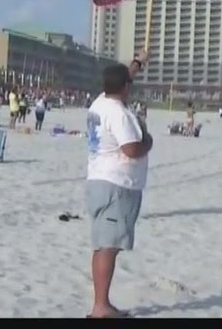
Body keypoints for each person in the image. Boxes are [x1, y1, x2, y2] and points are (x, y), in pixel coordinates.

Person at [84, 50, 152, 318]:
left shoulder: (99, 102)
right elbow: (132, 150)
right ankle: (100, 306)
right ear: (124, 87)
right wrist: (148, 141)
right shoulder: (118, 113)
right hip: (116, 184)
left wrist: (138, 62)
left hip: (99, 181)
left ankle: (102, 304)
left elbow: (124, 78)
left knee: (103, 244)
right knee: (108, 247)